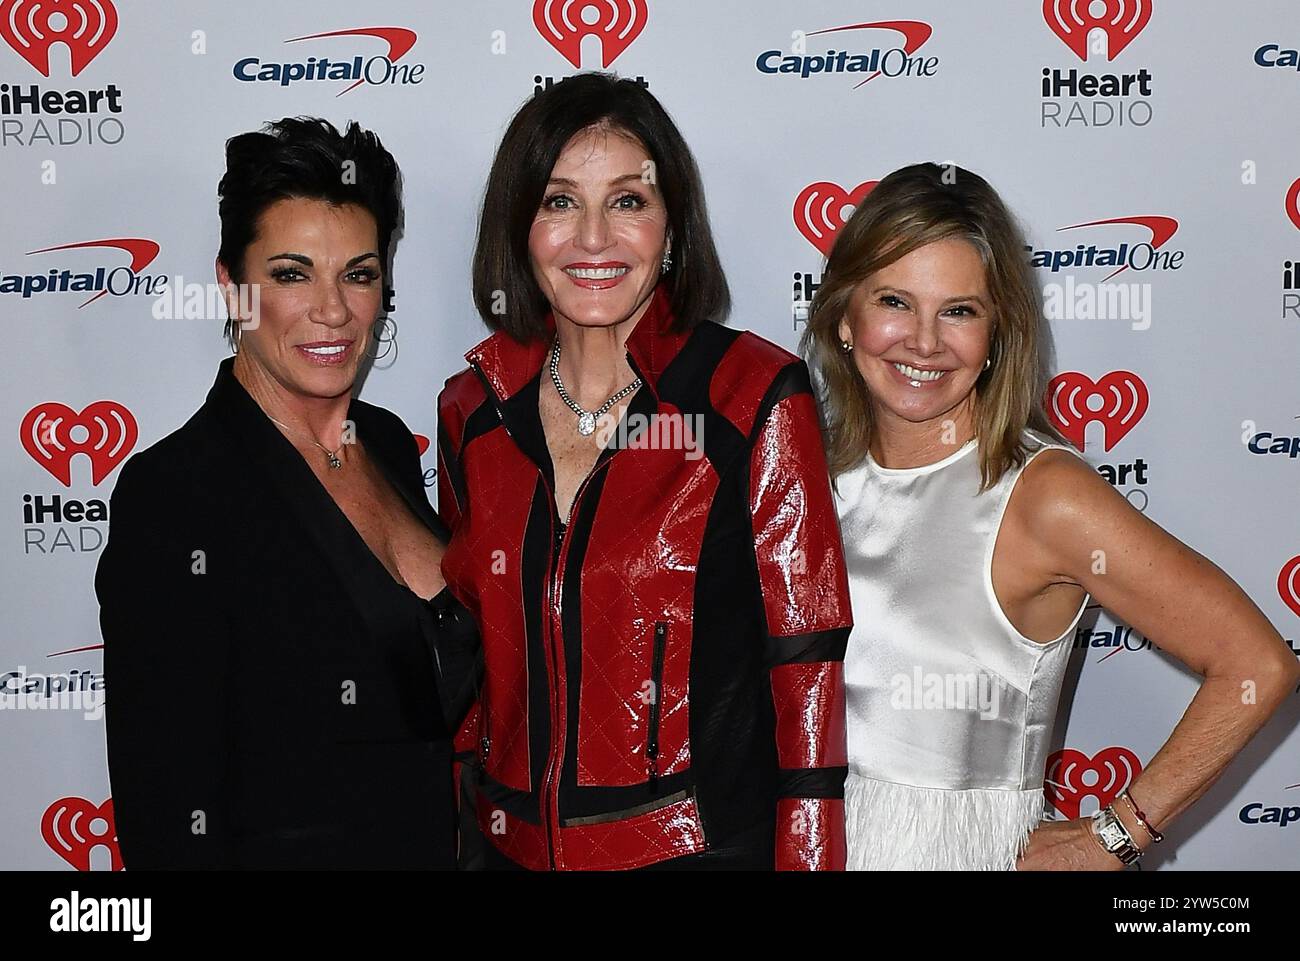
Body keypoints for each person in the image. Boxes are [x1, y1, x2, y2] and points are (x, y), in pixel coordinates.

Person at [803, 161, 1300, 870]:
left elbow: (1257, 663)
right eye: (893, 301)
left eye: (959, 310)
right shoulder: (802, 472)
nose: (922, 341)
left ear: (998, 329)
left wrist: (1113, 838)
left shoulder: (1042, 494)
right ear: (844, 317)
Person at [436, 72, 852, 870]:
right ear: (519, 226)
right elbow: (476, 679)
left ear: (673, 229)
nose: (593, 238)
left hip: (697, 853)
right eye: (559, 202)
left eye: (628, 200)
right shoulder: (471, 412)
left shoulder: (751, 395)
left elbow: (808, 668)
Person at [96, 117, 478, 869]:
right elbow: (168, 812)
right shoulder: (175, 494)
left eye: (359, 273)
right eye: (292, 273)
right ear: (232, 286)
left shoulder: (391, 442)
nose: (332, 310)